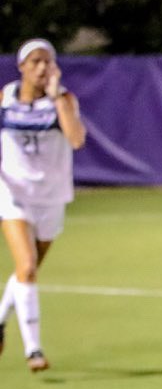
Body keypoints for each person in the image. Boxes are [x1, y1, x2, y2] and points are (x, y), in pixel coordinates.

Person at [0, 38, 87, 371]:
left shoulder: (63, 100)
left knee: (26, 271)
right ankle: (33, 350)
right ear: (21, 66)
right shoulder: (6, 99)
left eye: (47, 61)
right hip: (13, 194)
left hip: (51, 197)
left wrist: (56, 98)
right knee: (27, 267)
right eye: (34, 61)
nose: (41, 67)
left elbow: (76, 139)